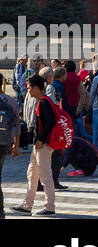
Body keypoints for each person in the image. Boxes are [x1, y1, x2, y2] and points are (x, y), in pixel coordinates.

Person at [14, 75, 57, 216]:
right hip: (38, 145)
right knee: (32, 174)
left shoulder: (44, 102)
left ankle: (50, 207)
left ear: (37, 88)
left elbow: (50, 122)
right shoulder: (42, 101)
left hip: (43, 145)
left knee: (45, 176)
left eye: (29, 88)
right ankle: (27, 205)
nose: (28, 90)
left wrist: (41, 139)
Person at [0, 77, 21, 217]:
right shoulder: (11, 101)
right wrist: (16, 145)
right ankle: (0, 210)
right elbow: (17, 125)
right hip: (4, 142)